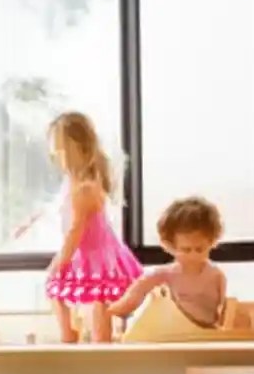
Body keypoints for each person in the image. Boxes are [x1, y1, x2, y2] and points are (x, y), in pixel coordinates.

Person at [40, 112, 142, 342]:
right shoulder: (75, 183)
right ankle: (82, 334)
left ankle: (80, 336)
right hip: (94, 250)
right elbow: (60, 211)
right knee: (96, 298)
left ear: (74, 150)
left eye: (59, 150)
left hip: (93, 253)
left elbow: (76, 230)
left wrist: (61, 260)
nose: (55, 156)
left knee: (69, 289)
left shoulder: (84, 188)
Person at [109, 198, 226, 327]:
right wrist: (113, 310)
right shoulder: (164, 274)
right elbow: (136, 293)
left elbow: (222, 311)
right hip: (172, 334)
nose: (193, 255)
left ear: (212, 242)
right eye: (186, 250)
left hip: (206, 335)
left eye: (200, 249)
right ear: (170, 246)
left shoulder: (216, 275)